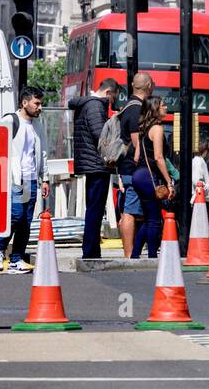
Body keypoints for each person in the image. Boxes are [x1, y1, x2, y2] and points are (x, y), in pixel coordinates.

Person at [0, 87, 47, 274]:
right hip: (15, 179)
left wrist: (44, 178)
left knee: (26, 222)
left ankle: (16, 259)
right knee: (15, 217)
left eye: (41, 103)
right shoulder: (10, 120)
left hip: (31, 179)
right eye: (36, 103)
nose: (40, 107)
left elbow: (43, 152)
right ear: (24, 103)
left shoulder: (38, 125)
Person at [68, 78, 119, 259]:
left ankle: (91, 249)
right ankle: (91, 251)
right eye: (112, 98)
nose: (111, 103)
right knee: (95, 210)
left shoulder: (86, 105)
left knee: (93, 208)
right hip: (97, 165)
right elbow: (100, 134)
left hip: (90, 163)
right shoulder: (96, 106)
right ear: (108, 93)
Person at [129, 97, 175, 259]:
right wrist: (169, 182)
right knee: (155, 219)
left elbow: (138, 157)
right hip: (148, 176)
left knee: (148, 218)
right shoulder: (157, 128)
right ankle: (152, 256)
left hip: (139, 176)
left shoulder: (144, 128)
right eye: (163, 105)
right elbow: (158, 157)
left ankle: (135, 255)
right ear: (155, 108)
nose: (166, 107)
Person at [116, 71, 153, 256]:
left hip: (125, 166)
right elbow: (137, 141)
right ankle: (129, 254)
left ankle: (131, 251)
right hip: (134, 167)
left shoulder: (126, 106)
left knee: (129, 210)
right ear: (148, 86)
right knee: (130, 211)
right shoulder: (138, 109)